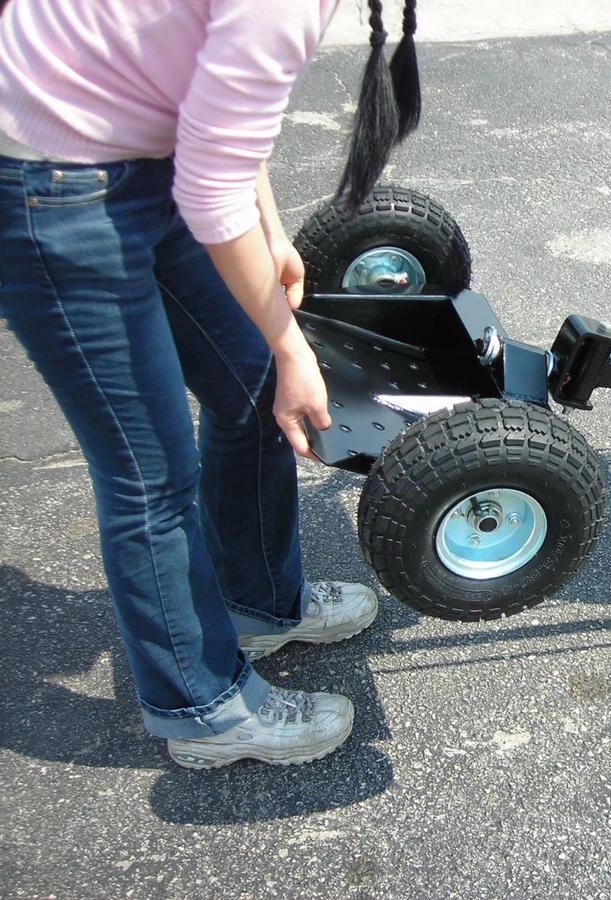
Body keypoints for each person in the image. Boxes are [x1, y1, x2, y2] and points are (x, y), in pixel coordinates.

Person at [0, 0, 420, 769]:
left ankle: (257, 602)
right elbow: (211, 189)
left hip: (143, 159)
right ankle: (201, 709)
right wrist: (292, 348)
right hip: (49, 189)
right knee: (150, 478)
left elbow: (219, 122)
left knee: (248, 385)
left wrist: (271, 233)